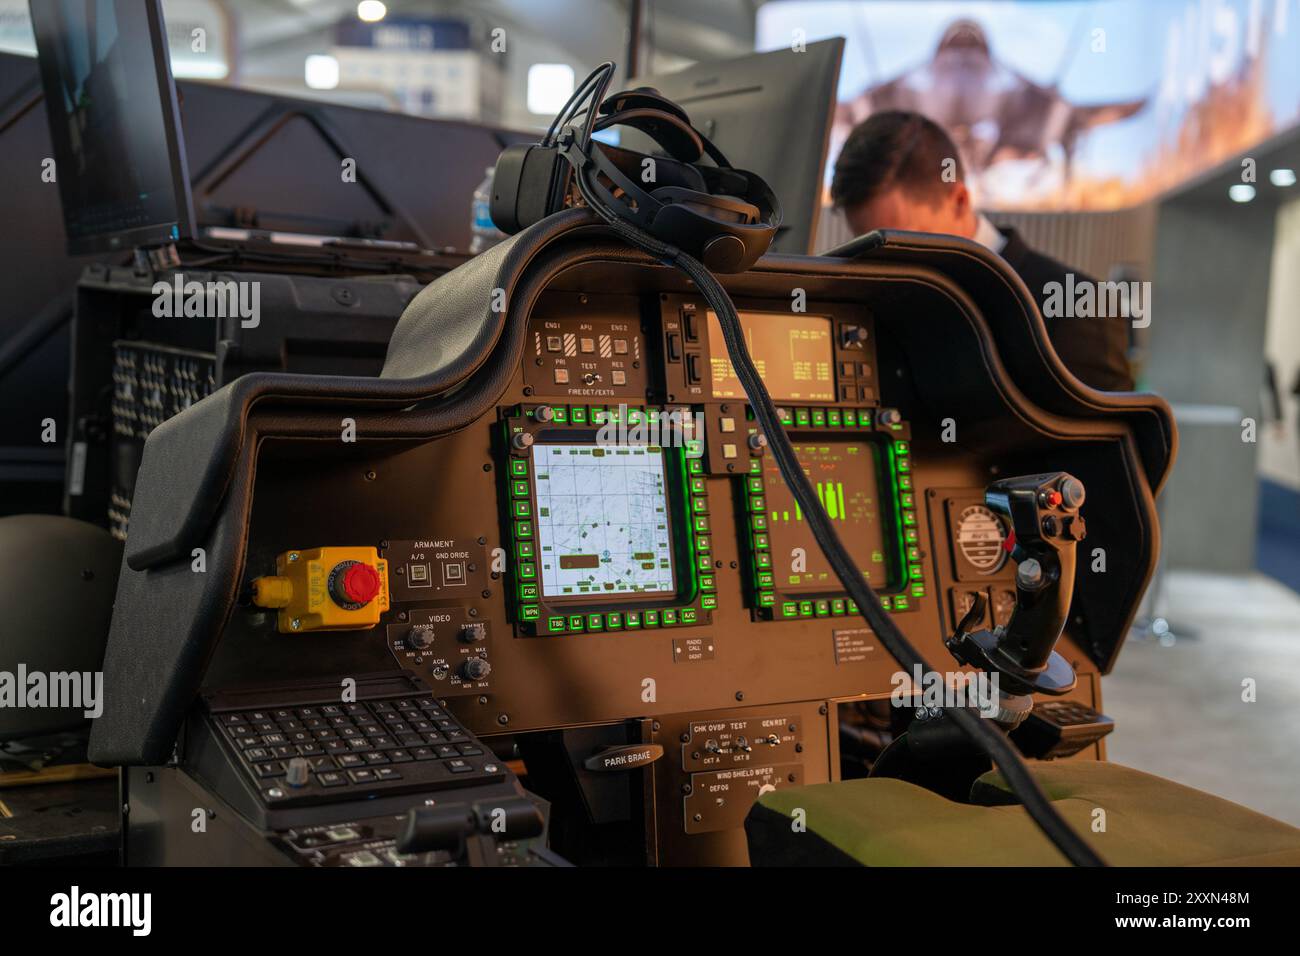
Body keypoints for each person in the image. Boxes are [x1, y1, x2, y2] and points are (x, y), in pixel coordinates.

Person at [830, 110, 1134, 391]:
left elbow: (1109, 435)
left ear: (960, 201)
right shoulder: (869, 312)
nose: (889, 265)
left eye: (905, 243)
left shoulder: (1078, 309)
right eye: (870, 249)